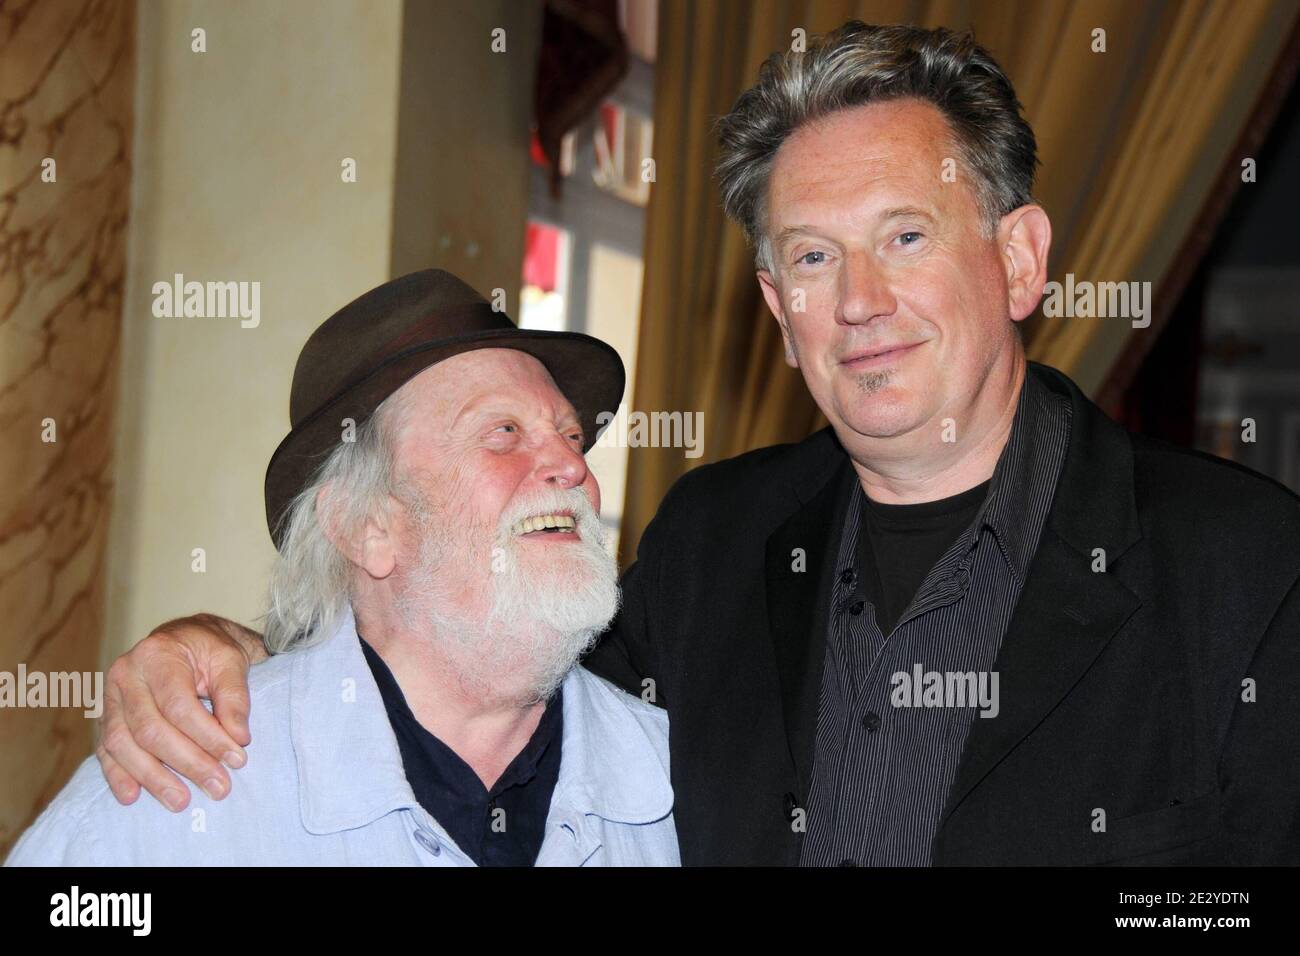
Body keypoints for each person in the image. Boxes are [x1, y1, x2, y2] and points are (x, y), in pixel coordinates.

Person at [86, 23, 1300, 866]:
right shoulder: (713, 541)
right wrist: (240, 647)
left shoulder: (1244, 569)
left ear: (1022, 258)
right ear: (777, 310)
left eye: (907, 238)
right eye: (811, 258)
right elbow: (472, 682)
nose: (859, 300)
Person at [6, 269, 679, 866]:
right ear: (368, 526)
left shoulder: (683, 781)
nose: (573, 467)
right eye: (503, 432)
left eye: (569, 434)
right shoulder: (179, 788)